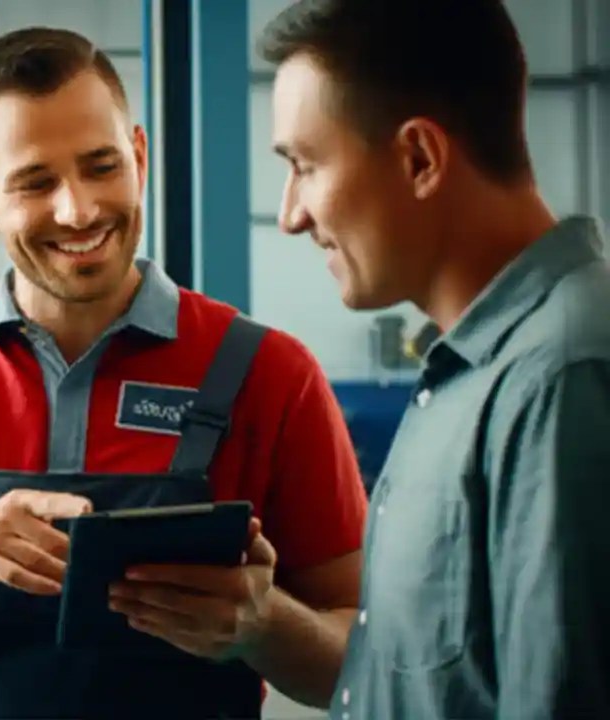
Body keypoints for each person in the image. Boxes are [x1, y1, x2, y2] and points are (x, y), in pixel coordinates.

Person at [0, 26, 368, 718]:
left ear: (140, 156)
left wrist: (265, 625)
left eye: (101, 166)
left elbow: (371, 660)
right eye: (36, 182)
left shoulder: (269, 375)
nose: (80, 209)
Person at [258, 1, 610, 718]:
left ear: (420, 158)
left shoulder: (561, 378)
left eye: (305, 165)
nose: (290, 213)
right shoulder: (467, 377)